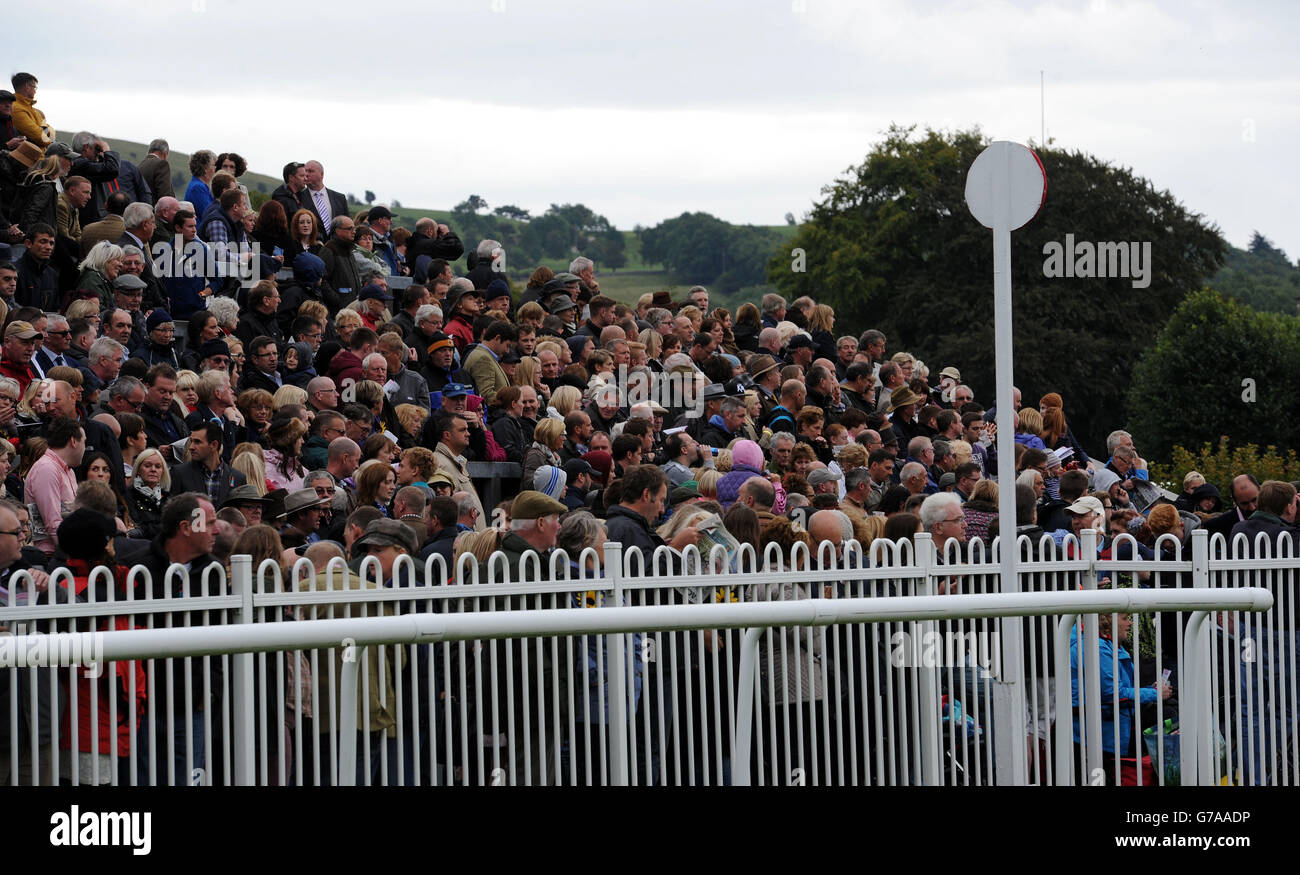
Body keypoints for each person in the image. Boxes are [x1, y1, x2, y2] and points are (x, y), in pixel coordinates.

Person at [1070, 611, 1172, 785]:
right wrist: (1154, 694)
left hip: (1106, 730)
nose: (1130, 624)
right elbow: (1113, 693)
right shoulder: (1097, 648)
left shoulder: (1109, 645)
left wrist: (1149, 690)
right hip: (1095, 734)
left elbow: (1120, 689)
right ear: (1107, 623)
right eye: (1125, 619)